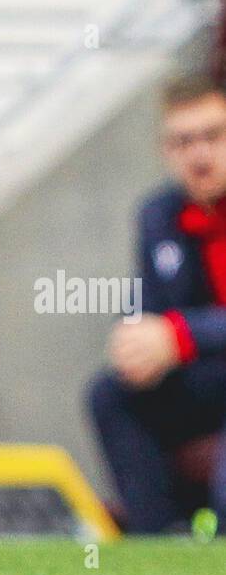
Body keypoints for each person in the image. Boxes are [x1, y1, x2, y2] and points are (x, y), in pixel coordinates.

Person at [87, 73, 226, 534]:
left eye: (212, 136)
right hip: (209, 374)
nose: (199, 154)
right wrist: (135, 340)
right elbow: (145, 301)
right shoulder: (158, 215)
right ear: (167, 151)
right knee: (110, 395)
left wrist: (180, 335)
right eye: (183, 142)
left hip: (206, 356)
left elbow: (176, 328)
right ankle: (160, 541)